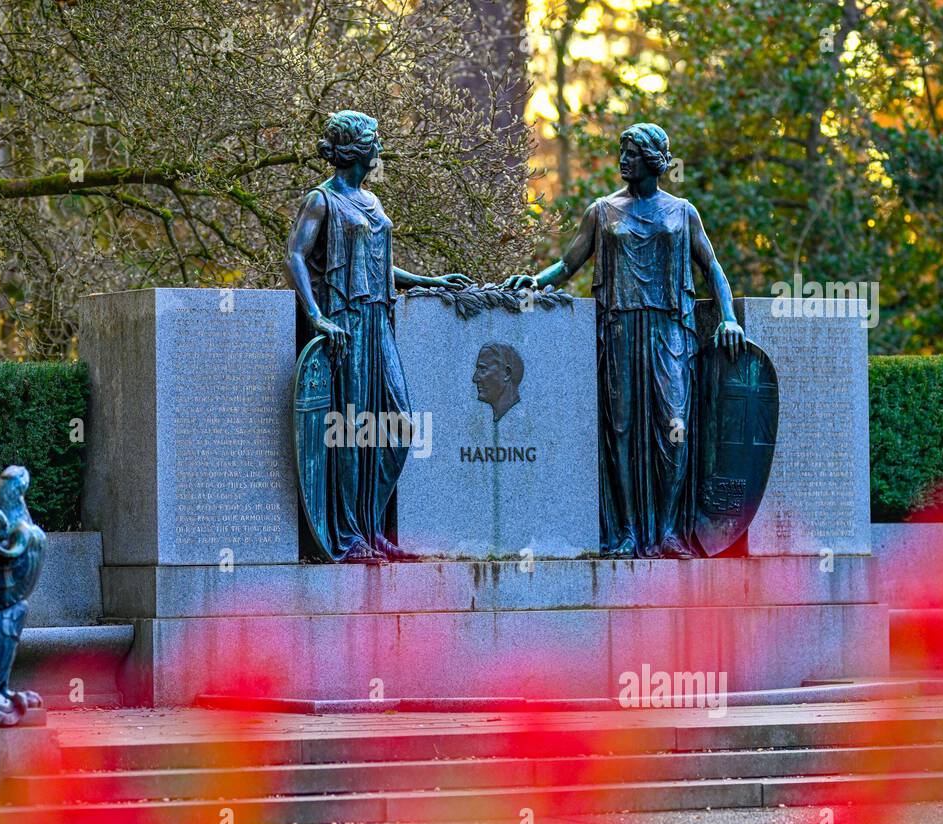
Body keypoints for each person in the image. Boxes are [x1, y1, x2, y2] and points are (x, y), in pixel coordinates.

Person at [504, 122, 744, 557]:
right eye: (622, 151)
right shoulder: (602, 211)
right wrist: (534, 282)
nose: (623, 159)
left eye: (631, 152)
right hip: (618, 332)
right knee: (621, 429)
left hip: (670, 331)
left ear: (653, 160)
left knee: (675, 426)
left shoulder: (682, 212)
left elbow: (713, 268)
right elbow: (568, 263)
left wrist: (728, 317)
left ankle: (669, 530)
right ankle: (628, 531)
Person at [285, 110, 471, 563]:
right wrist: (317, 316)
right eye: (375, 141)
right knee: (350, 429)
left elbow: (377, 265)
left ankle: (370, 524)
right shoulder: (321, 200)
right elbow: (294, 255)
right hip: (344, 324)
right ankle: (349, 535)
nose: (380, 149)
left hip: (377, 318)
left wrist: (429, 281)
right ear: (356, 148)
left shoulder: (372, 201)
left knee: (396, 422)